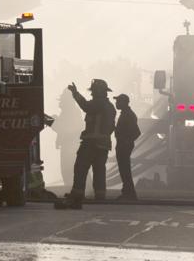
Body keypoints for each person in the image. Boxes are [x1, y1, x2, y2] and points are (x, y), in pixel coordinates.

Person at [64, 78, 116, 208]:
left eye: (94, 91)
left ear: (99, 92)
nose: (92, 94)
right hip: (103, 144)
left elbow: (86, 106)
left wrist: (75, 93)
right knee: (99, 170)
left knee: (80, 167)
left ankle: (77, 195)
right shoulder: (109, 106)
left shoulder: (98, 104)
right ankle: (100, 196)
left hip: (92, 143)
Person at [52, 88, 82, 191]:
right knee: (68, 169)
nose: (61, 102)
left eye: (63, 99)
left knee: (69, 169)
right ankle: (72, 190)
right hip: (68, 144)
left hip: (71, 145)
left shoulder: (71, 112)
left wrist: (53, 123)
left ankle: (73, 190)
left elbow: (65, 129)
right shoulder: (68, 111)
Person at [114, 93, 141, 200]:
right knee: (123, 169)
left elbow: (137, 132)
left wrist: (126, 141)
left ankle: (129, 193)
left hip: (124, 145)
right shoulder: (125, 114)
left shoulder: (128, 115)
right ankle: (127, 192)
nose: (116, 103)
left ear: (124, 102)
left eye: (118, 101)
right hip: (122, 144)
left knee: (125, 169)